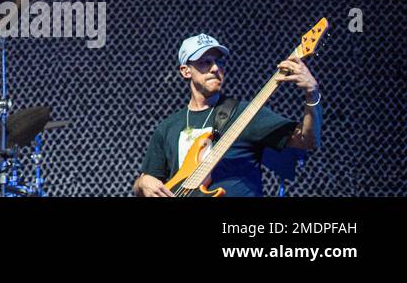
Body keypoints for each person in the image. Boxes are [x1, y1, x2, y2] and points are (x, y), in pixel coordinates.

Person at [134, 33, 321, 197]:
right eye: (205, 62)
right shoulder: (168, 127)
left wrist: (312, 93)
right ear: (185, 71)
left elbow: (307, 141)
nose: (215, 68)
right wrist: (142, 184)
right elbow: (146, 182)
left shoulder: (246, 113)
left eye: (219, 62)